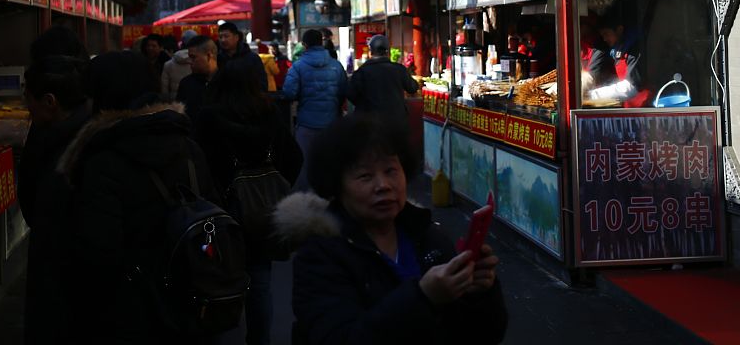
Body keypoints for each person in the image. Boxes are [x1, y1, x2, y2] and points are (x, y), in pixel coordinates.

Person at [276, 115, 507, 345]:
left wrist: (480, 293)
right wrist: (423, 298)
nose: (383, 185)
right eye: (365, 176)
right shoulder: (319, 256)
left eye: (390, 171)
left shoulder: (426, 235)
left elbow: (483, 335)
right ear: (337, 185)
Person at [58, 50, 220, 343]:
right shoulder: (187, 145)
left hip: (128, 309)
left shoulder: (102, 160)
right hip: (190, 296)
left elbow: (99, 251)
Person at [194, 58, 302, 345]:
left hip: (216, 212)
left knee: (216, 280)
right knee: (260, 281)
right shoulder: (268, 114)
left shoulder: (207, 118)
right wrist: (273, 184)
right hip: (261, 213)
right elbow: (294, 157)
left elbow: (199, 164)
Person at [17, 27, 92, 345]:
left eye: (29, 100)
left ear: (49, 100)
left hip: (64, 281)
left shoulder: (70, 144)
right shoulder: (80, 123)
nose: (27, 109)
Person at [281, 28, 347, 190]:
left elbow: (289, 92)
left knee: (304, 166)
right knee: (331, 163)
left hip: (307, 124)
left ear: (304, 45)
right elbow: (344, 91)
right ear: (321, 42)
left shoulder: (298, 67)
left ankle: (306, 203)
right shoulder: (336, 66)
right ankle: (331, 196)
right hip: (331, 123)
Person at [346, 35, 419, 129]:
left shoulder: (362, 72)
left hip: (369, 123)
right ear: (387, 52)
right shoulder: (399, 70)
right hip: (396, 122)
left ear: (370, 52)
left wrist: (363, 105)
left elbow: (350, 94)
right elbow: (413, 88)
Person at [218, 21, 270, 91]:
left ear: (236, 37)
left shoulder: (252, 58)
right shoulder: (217, 58)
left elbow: (262, 84)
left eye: (226, 36)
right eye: (220, 37)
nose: (223, 40)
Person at [177, 34, 220, 119]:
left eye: (193, 57)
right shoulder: (186, 84)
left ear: (208, 56)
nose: (190, 62)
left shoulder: (228, 81)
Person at [161, 29, 198, 99]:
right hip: (195, 98)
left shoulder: (168, 64)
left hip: (174, 101)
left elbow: (164, 89)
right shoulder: (200, 61)